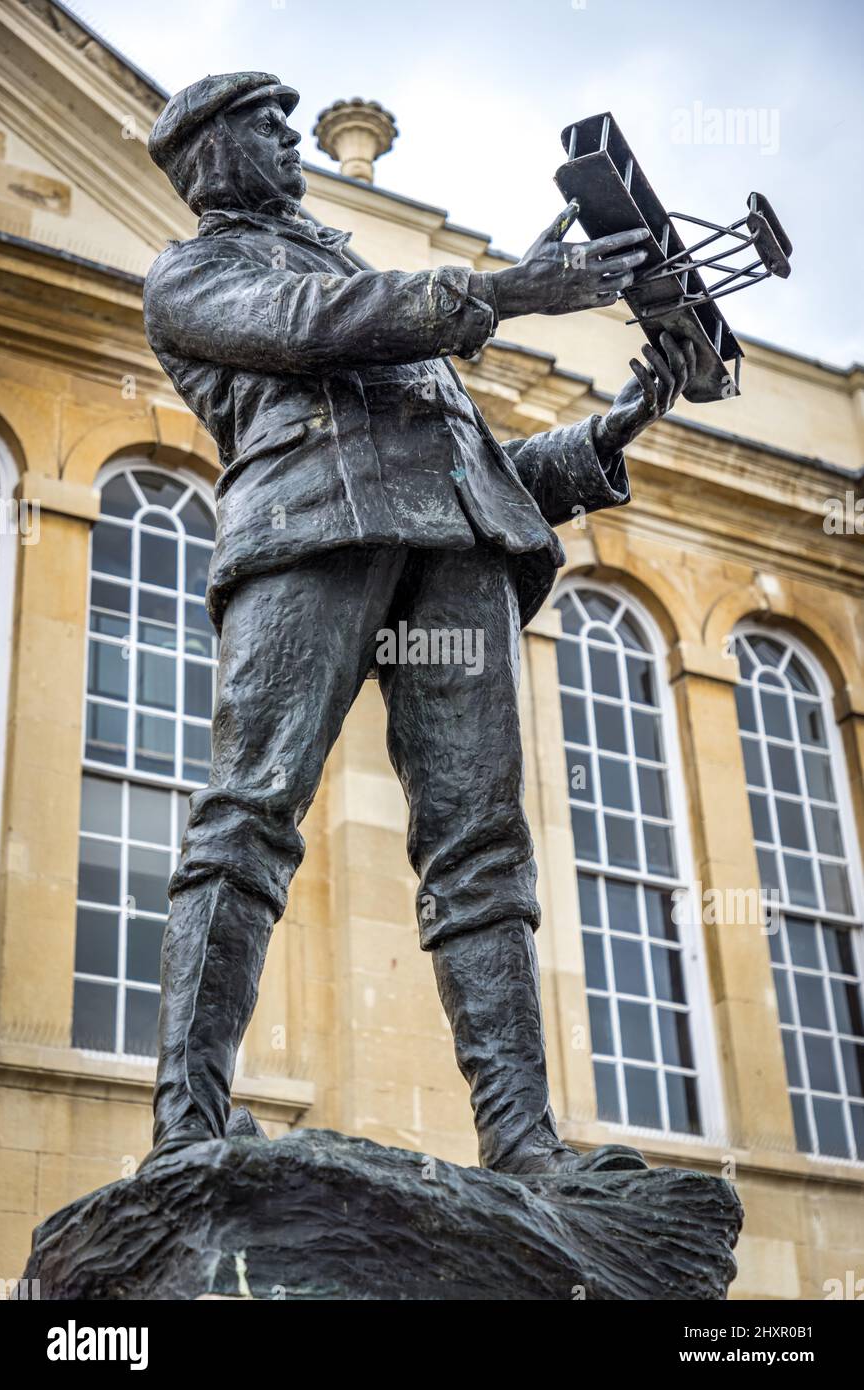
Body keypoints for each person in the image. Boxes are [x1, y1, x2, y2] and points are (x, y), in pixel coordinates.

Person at [142, 71, 696, 1173]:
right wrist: (510, 291)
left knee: (483, 844)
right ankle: (187, 1122)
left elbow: (472, 466)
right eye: (269, 128)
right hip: (312, 532)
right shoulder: (198, 272)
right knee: (250, 813)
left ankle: (524, 1143)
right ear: (212, 155)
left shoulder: (361, 272)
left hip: (454, 558)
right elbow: (317, 325)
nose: (294, 144)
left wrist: (617, 425)